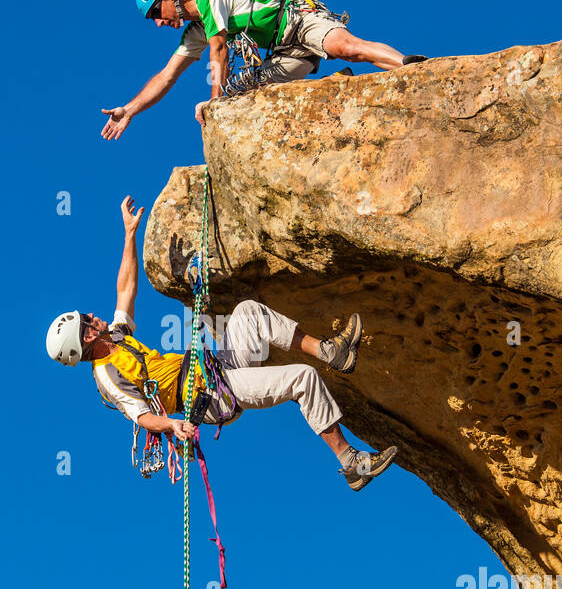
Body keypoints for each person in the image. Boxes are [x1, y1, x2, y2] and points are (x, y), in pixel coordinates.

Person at [45, 195, 398, 494]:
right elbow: (141, 416)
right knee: (302, 379)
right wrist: (172, 426)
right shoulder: (107, 375)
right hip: (210, 395)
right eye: (86, 319)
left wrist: (129, 234)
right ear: (86, 336)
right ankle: (351, 462)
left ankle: (330, 352)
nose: (93, 315)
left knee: (248, 312)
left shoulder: (116, 338)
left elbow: (125, 289)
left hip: (215, 368)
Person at [100, 0, 426, 140]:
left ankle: (413, 69)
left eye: (157, 11)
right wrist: (129, 110)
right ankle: (334, 90)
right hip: (283, 52)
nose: (158, 22)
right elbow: (167, 75)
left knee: (347, 48)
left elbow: (219, 48)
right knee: (240, 96)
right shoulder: (194, 31)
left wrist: (214, 100)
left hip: (296, 18)